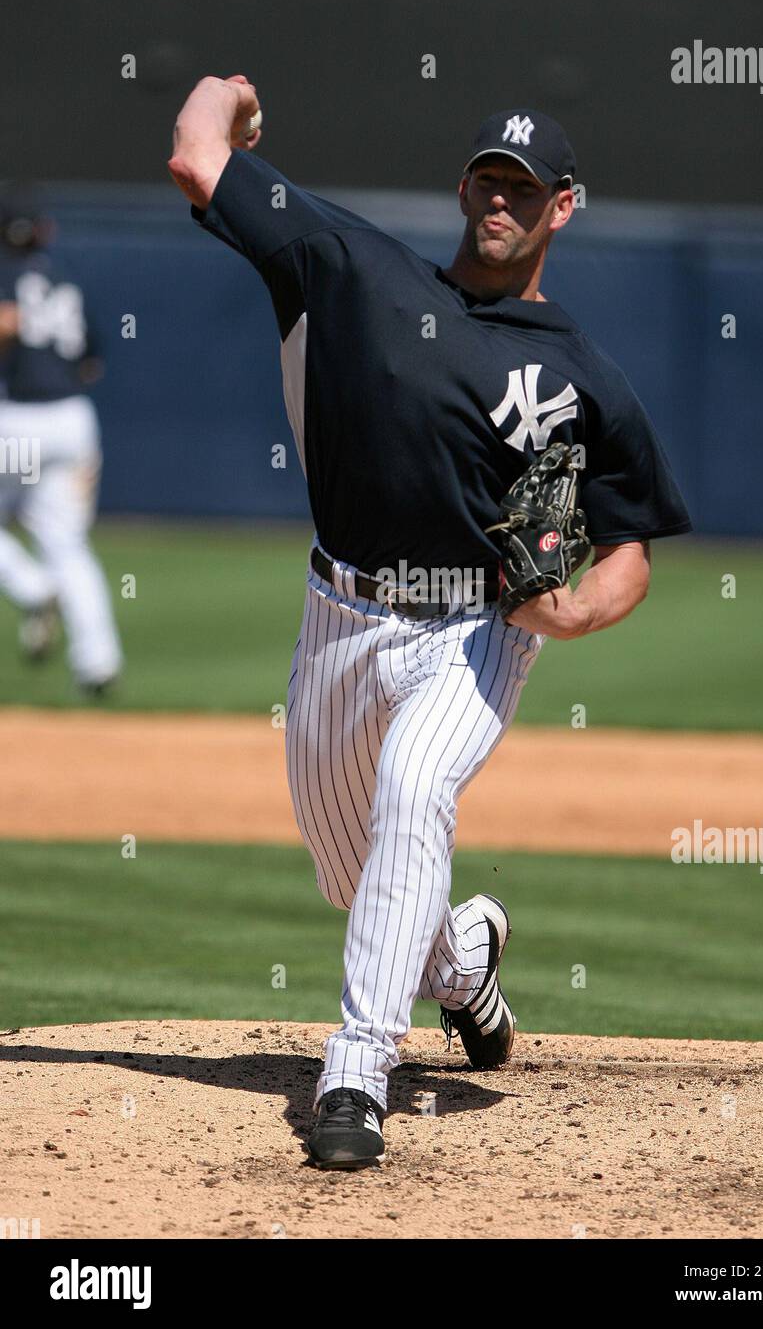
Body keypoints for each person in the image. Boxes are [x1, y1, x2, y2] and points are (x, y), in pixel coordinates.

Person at [167, 75, 692, 1170]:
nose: (501, 200)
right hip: (337, 616)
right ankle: (464, 963)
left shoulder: (579, 378)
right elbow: (196, 157)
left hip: (476, 629)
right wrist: (224, 95)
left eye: (525, 187)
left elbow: (630, 540)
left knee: (414, 792)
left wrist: (580, 609)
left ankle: (356, 1070)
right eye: (488, 179)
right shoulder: (353, 270)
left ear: (562, 207)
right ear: (464, 187)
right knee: (351, 878)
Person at [0, 191, 123, 693]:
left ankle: (32, 588)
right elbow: (92, 360)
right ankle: (98, 664)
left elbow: (7, 320)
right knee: (68, 543)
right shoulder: (64, 276)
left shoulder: (5, 269)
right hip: (73, 419)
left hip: (19, 418)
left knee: (48, 546)